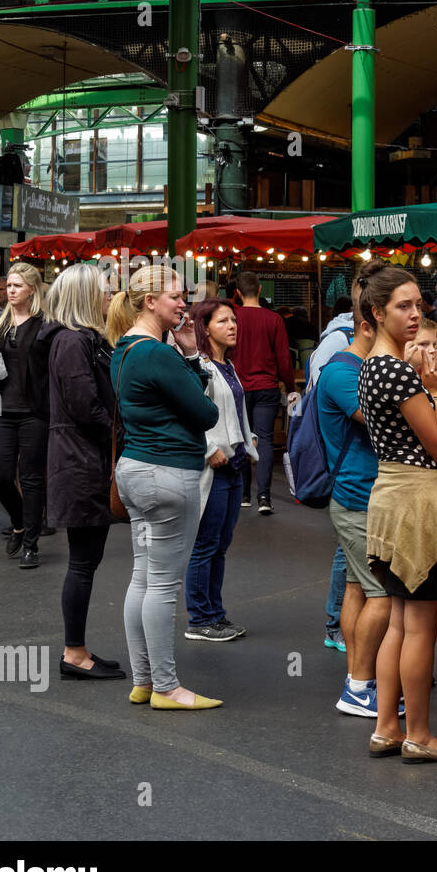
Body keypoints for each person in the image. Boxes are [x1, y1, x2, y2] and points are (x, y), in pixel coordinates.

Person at [360, 267, 437, 763]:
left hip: (389, 498)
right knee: (420, 624)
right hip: (420, 505)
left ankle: (386, 727)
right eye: (403, 306)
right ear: (377, 313)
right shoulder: (400, 371)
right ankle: (419, 735)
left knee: (401, 621)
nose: (414, 314)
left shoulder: (369, 365)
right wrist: (436, 388)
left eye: (418, 305)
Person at [109, 265, 222, 710]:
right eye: (176, 296)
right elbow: (206, 413)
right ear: (150, 301)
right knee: (161, 584)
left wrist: (190, 354)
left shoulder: (125, 348)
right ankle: (166, 687)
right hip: (167, 473)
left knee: (143, 578)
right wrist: (192, 359)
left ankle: (144, 681)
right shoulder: (157, 353)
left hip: (135, 469)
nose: (184, 303)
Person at [44, 264, 125, 681]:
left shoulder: (81, 340)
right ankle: (74, 653)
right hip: (80, 464)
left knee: (85, 561)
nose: (110, 294)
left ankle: (77, 649)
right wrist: (121, 430)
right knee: (81, 563)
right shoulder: (74, 342)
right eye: (104, 289)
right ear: (85, 297)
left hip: (83, 461)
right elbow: (86, 407)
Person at [315, 282, 387, 721]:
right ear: (368, 323)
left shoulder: (360, 367)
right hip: (357, 495)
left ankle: (359, 678)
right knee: (381, 594)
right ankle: (359, 687)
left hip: (366, 494)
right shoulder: (343, 371)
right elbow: (382, 418)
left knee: (359, 588)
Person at [182, 299, 258, 643]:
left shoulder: (226, 365)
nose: (233, 326)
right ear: (205, 327)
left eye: (233, 320)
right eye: (223, 320)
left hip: (235, 465)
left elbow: (232, 412)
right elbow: (189, 413)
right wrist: (209, 447)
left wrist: (247, 442)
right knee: (205, 544)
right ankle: (200, 619)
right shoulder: (197, 365)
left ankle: (215, 613)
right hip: (213, 467)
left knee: (220, 544)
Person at [0, 263, 51, 569]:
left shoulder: (45, 325)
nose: (10, 291)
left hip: (33, 410)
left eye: (17, 286)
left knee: (33, 478)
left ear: (32, 289)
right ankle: (19, 522)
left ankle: (31, 545)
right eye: (8, 285)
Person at [307, 285, 358, 653]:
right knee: (349, 558)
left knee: (351, 559)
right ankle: (335, 624)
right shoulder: (339, 352)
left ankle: (337, 625)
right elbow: (317, 384)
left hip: (355, 476)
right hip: (348, 477)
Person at [231, 271, 298, 514]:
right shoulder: (274, 319)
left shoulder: (232, 318)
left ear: (237, 293)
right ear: (260, 290)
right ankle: (264, 498)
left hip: (237, 387)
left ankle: (243, 494)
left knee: (240, 438)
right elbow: (283, 358)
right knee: (265, 440)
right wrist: (291, 387)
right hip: (267, 386)